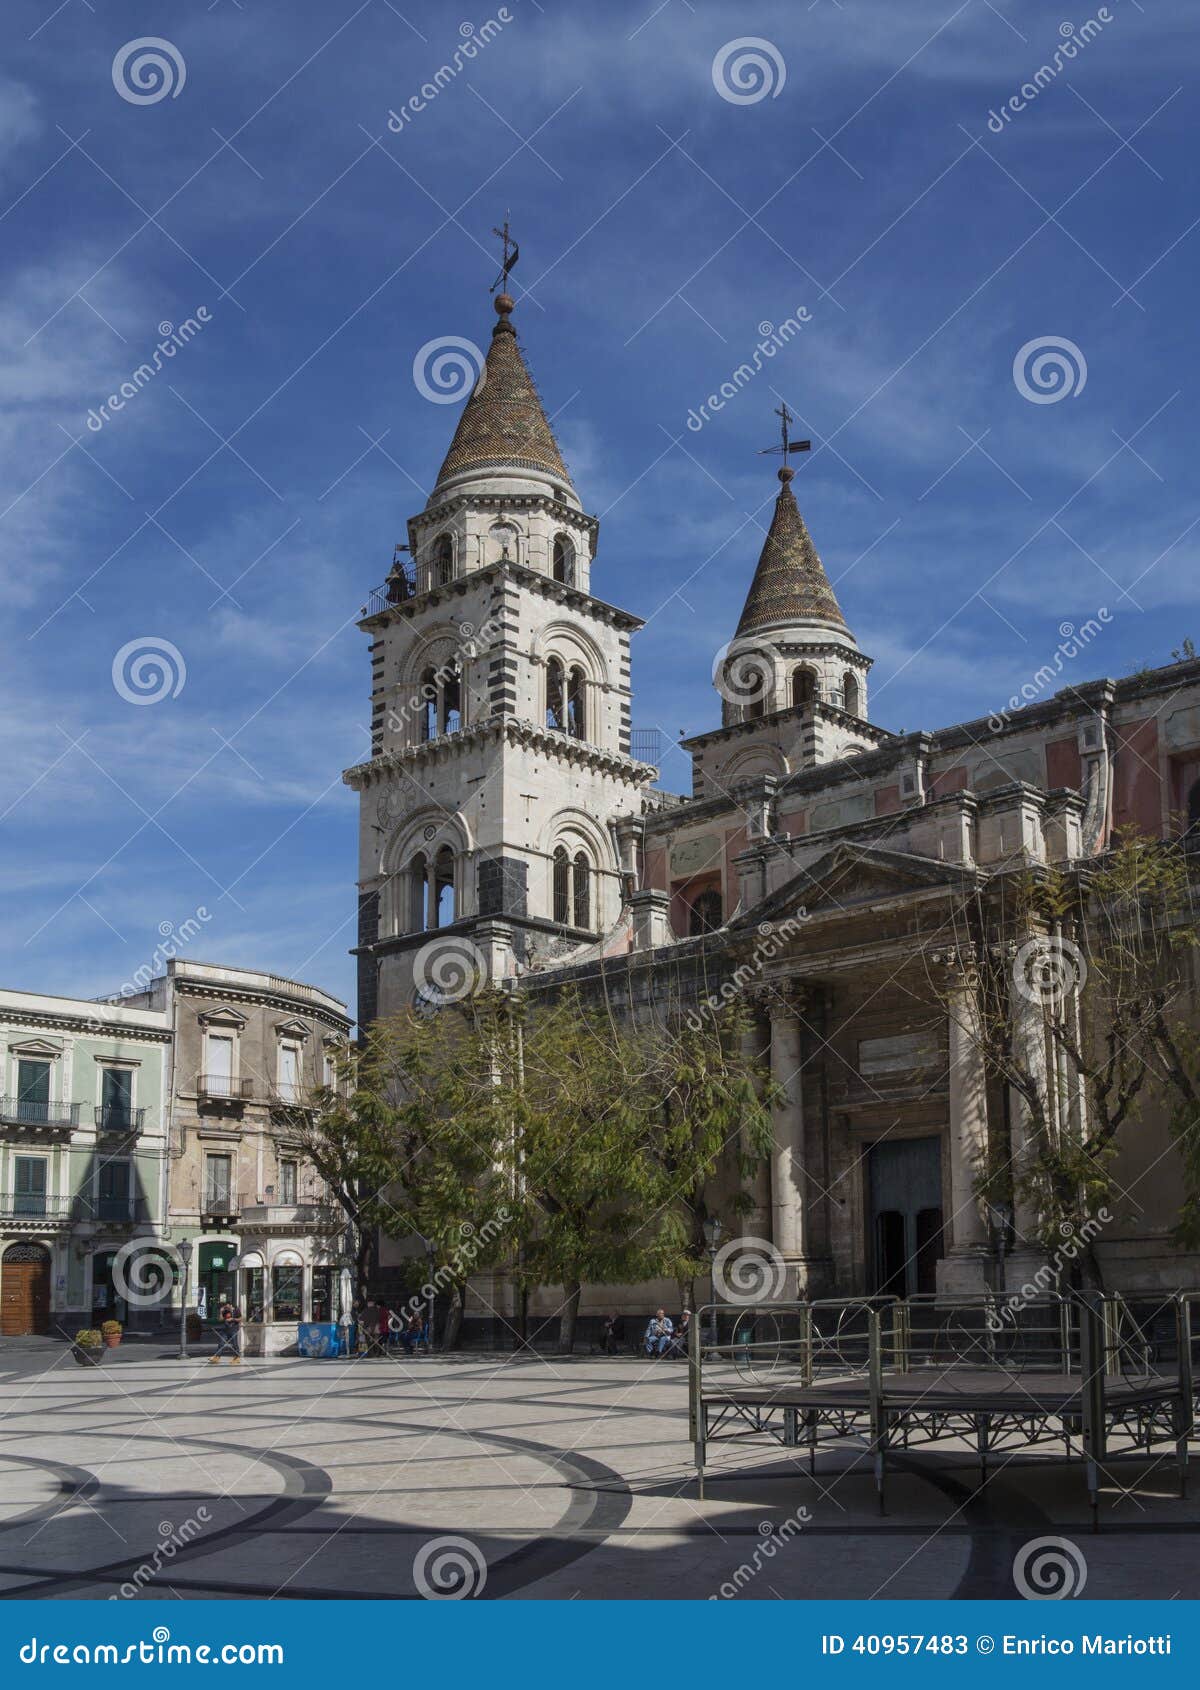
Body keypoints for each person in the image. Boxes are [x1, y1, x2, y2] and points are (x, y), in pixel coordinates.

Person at [210, 1300, 241, 1365]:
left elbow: (240, 1319)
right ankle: (217, 1357)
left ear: (230, 1305)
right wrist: (221, 1312)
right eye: (225, 1307)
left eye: (227, 1307)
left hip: (234, 1329)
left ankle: (237, 1357)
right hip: (226, 1329)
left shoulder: (236, 1310)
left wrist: (232, 1319)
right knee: (221, 1342)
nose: (227, 1309)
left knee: (234, 1343)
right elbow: (220, 1319)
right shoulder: (225, 1311)